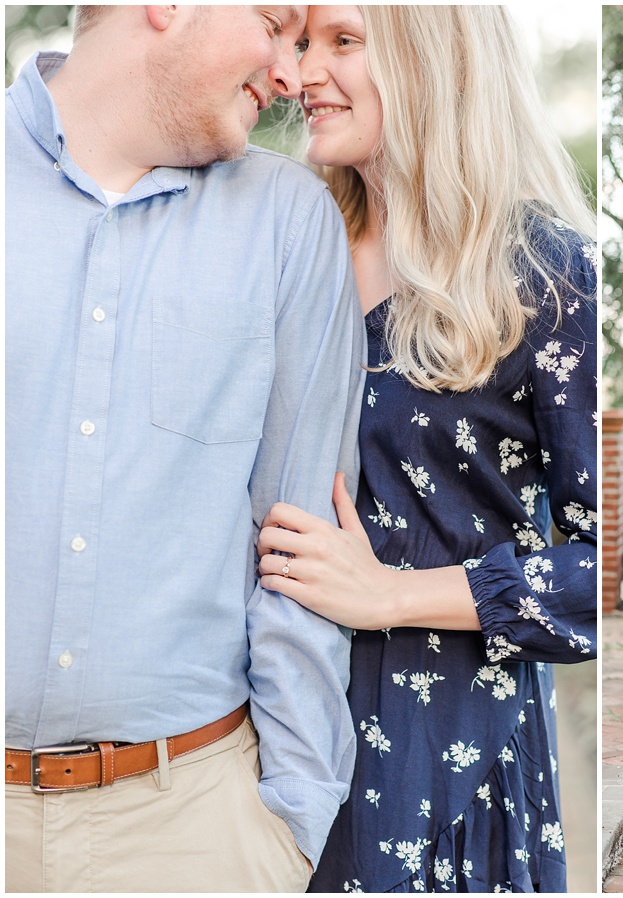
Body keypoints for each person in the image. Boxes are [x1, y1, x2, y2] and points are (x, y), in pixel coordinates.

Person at [5, 6, 366, 892]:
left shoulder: (290, 222)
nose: (291, 75)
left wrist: (289, 831)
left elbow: (301, 546)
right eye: (279, 26)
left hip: (194, 831)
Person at [253, 6, 598, 892]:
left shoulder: (543, 272)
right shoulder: (296, 245)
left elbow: (601, 579)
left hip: (447, 762)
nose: (299, 74)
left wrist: (392, 593)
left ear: (431, 57)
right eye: (299, 43)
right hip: (272, 740)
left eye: (341, 41)